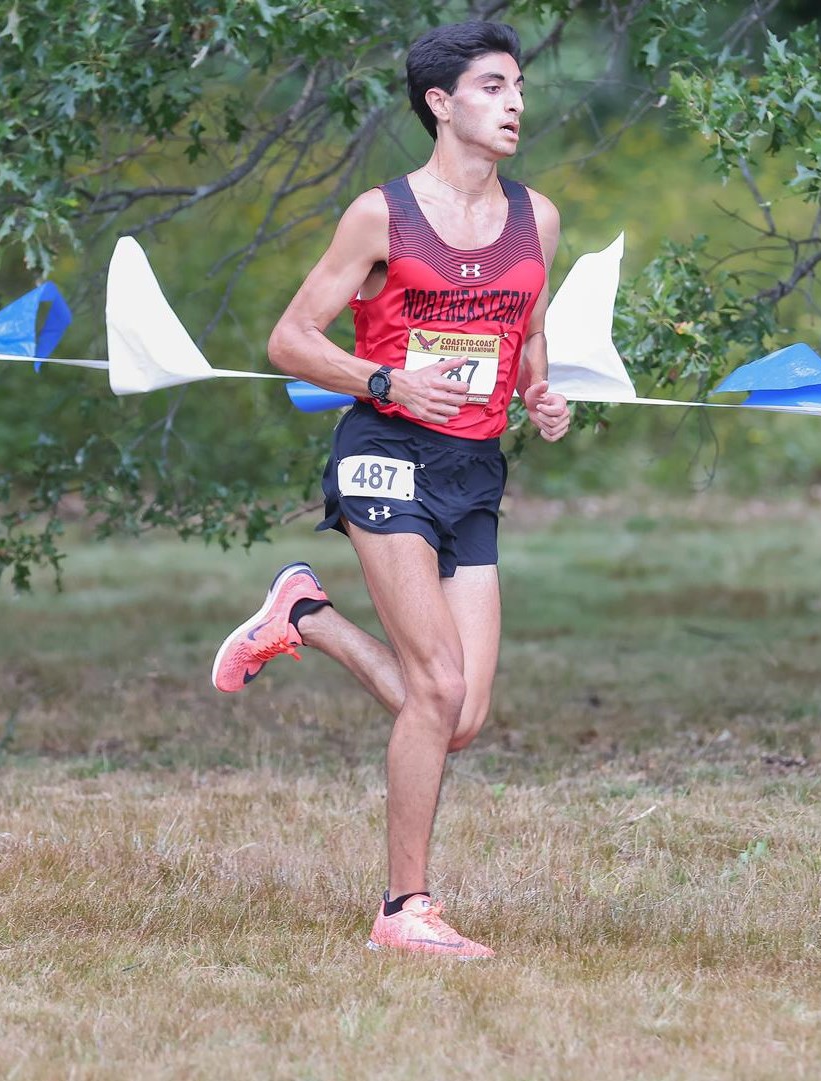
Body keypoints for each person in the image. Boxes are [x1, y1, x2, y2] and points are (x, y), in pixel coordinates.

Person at [209, 19, 571, 959]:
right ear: (439, 104)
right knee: (437, 684)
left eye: (518, 87)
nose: (514, 103)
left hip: (473, 467)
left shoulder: (537, 219)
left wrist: (539, 388)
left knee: (461, 715)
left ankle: (306, 616)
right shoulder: (381, 215)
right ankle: (403, 909)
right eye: (492, 86)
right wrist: (385, 381)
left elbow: (527, 328)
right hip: (386, 450)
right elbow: (290, 340)